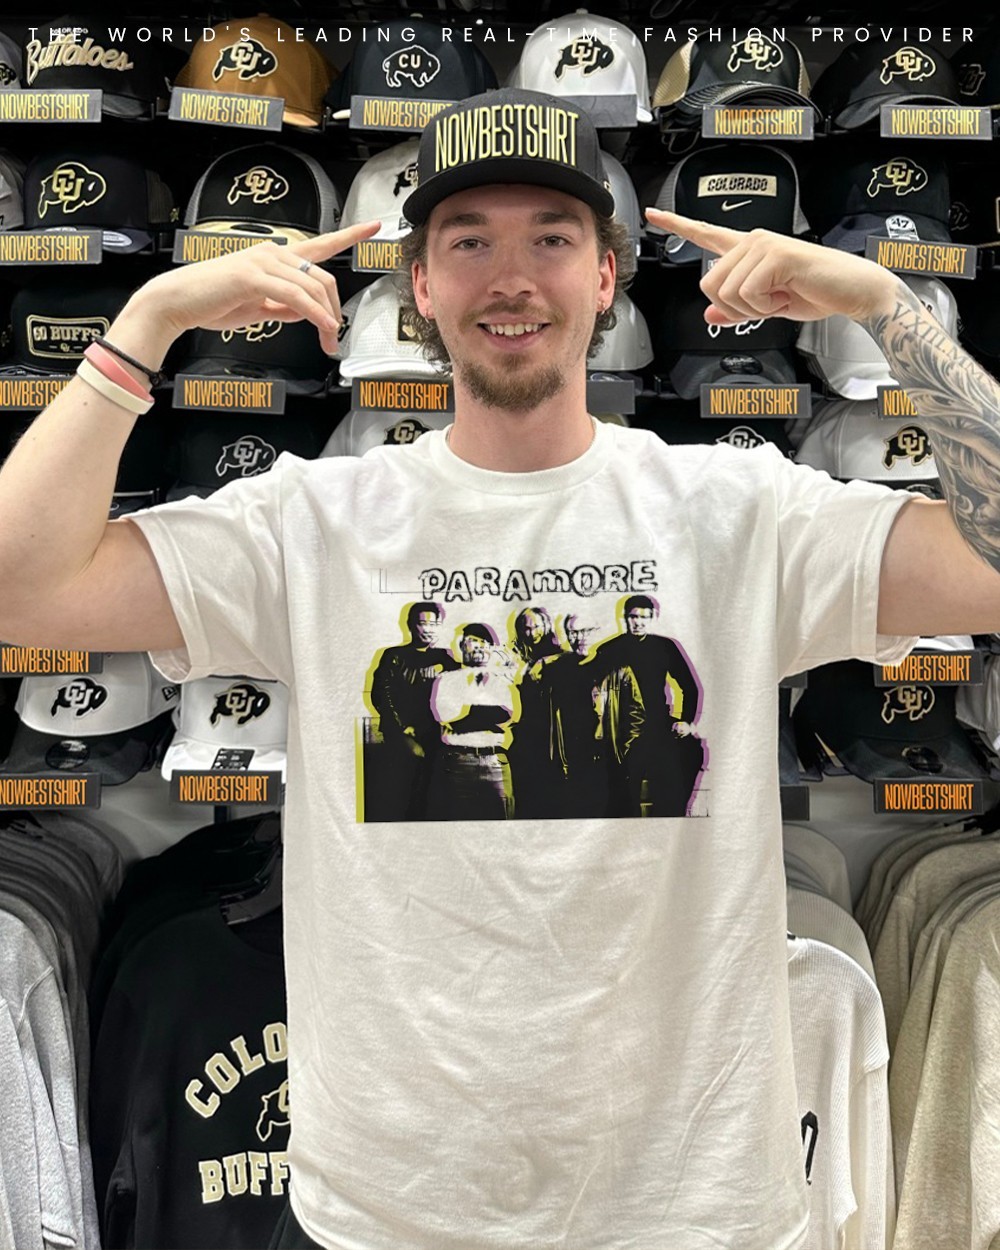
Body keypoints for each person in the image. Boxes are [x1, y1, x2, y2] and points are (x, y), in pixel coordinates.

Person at [1, 85, 999, 1250]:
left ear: (607, 275)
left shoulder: (738, 512)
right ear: (418, 286)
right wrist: (148, 322)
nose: (511, 277)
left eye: (552, 239)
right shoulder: (312, 520)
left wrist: (889, 309)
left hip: (686, 1201)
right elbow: (28, 588)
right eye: (468, 242)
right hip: (392, 1202)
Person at [591, 594, 704, 817]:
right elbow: (589, 685)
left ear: (653, 618)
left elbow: (689, 687)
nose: (638, 622)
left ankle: (671, 825)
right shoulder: (610, 649)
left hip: (658, 726)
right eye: (634, 617)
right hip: (623, 732)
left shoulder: (665, 647)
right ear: (625, 618)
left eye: (644, 617)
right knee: (623, 797)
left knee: (686, 761)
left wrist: (685, 721)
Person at [367, 601, 458, 819]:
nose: (428, 629)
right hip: (402, 737)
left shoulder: (445, 657)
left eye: (433, 624)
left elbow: (459, 692)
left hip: (436, 737)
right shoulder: (393, 656)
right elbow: (381, 696)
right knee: (402, 798)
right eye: (422, 623)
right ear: (410, 625)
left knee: (434, 798)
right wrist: (403, 732)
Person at [426, 621, 515, 820]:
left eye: (485, 643)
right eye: (474, 641)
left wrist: (468, 714)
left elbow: (507, 716)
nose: (480, 647)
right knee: (458, 822)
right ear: (462, 645)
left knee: (503, 820)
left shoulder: (502, 682)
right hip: (459, 762)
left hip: (496, 762)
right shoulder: (446, 680)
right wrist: (484, 714)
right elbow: (444, 716)